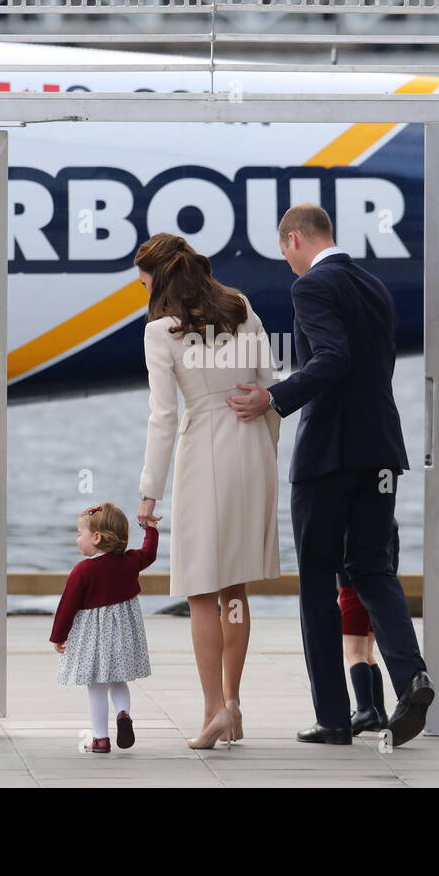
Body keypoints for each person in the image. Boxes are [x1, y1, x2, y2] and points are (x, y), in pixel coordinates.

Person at [228, 203, 433, 747]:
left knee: (318, 580)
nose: (289, 267)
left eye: (285, 254)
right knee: (371, 568)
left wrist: (273, 397)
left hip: (331, 455)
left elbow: (333, 357)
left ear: (295, 239)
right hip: (382, 448)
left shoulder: (312, 287)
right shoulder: (374, 285)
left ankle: (335, 718)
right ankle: (411, 676)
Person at [135, 232, 281, 750]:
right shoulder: (239, 306)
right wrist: (266, 446)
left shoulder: (161, 331)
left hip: (204, 451)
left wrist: (149, 492)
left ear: (158, 279)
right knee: (234, 589)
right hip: (251, 449)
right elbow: (269, 382)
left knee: (200, 591)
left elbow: (163, 416)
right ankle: (234, 703)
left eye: (144, 280)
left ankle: (212, 710)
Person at [51, 503, 157, 754]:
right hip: (123, 636)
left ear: (96, 537)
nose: (78, 539)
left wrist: (58, 636)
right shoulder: (130, 561)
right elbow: (149, 554)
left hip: (94, 639)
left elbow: (67, 605)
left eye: (80, 534)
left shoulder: (83, 570)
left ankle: (100, 739)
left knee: (96, 686)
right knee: (118, 680)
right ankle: (123, 713)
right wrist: (150, 528)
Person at [339, 518, 399, 735]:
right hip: (379, 592)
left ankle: (365, 709)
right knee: (367, 653)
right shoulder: (389, 521)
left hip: (352, 592)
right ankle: (379, 713)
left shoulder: (349, 521)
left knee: (354, 653)